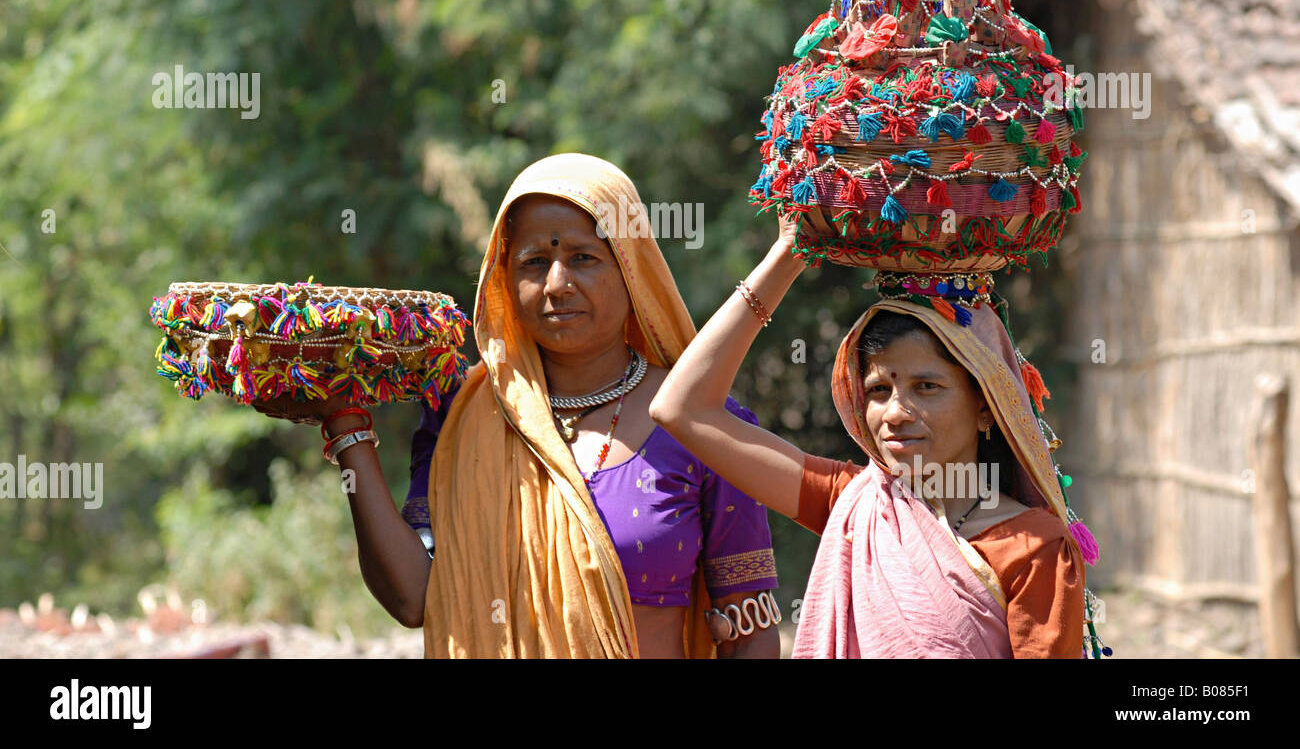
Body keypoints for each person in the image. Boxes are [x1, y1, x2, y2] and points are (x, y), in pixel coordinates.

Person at [256, 154, 780, 658]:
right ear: (504, 279)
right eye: (534, 262)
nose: (556, 284)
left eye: (582, 257)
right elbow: (415, 598)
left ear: (631, 267)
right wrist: (347, 429)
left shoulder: (700, 423)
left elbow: (749, 633)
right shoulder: (460, 414)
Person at [648, 214, 1087, 658]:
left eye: (926, 387)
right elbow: (681, 410)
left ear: (984, 406)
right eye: (878, 390)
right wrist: (786, 257)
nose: (894, 413)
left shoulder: (1033, 548)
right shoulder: (855, 504)